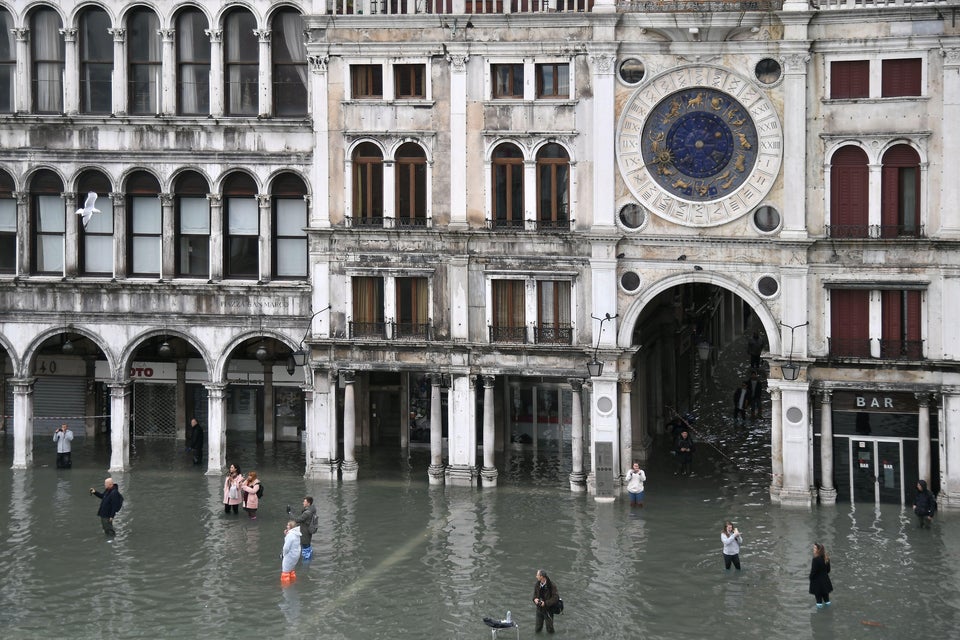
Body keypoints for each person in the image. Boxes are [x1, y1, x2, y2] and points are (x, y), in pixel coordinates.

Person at [532, 569, 560, 634]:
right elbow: (534, 595)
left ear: (542, 576)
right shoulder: (537, 584)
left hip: (548, 610)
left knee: (550, 629)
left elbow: (556, 598)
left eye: (537, 575)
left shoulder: (551, 585)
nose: (536, 576)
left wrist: (545, 603)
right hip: (539, 609)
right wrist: (535, 599)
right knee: (537, 629)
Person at [808, 542, 833, 608]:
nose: (813, 549)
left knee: (819, 601)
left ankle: (819, 616)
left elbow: (813, 572)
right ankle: (829, 613)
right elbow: (828, 570)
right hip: (826, 582)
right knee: (827, 600)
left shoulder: (815, 560)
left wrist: (810, 578)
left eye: (815, 548)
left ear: (818, 550)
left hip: (817, 584)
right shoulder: (827, 558)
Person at [280, 519, 302, 583]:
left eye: (288, 525)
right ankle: (293, 582)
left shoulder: (290, 535)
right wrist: (287, 534)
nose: (287, 526)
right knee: (291, 570)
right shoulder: (297, 534)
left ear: (291, 527)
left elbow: (286, 547)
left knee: (285, 572)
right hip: (296, 555)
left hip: (289, 555)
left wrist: (283, 554)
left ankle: (286, 587)